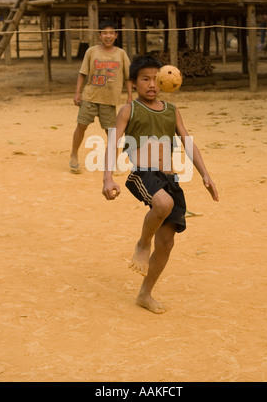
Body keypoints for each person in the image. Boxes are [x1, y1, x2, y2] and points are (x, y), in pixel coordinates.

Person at [102, 55, 219, 314]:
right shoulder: (129, 110)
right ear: (134, 83)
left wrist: (205, 174)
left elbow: (188, 141)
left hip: (169, 178)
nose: (152, 84)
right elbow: (113, 142)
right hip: (143, 173)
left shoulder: (172, 110)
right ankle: (143, 243)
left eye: (156, 78)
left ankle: (145, 294)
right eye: (145, 79)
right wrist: (107, 177)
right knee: (162, 203)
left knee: (166, 243)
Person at [69, 20, 133, 173]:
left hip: (109, 100)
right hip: (90, 96)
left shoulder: (121, 54)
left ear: (116, 35)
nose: (108, 36)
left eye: (111, 33)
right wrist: (78, 92)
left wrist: (130, 96)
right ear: (99, 35)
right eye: (104, 33)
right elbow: (82, 73)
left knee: (111, 132)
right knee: (81, 125)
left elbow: (127, 77)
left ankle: (113, 162)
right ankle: (74, 155)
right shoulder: (91, 51)